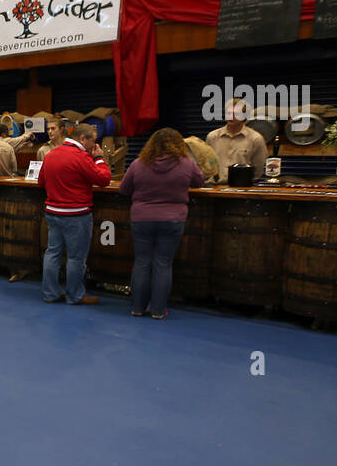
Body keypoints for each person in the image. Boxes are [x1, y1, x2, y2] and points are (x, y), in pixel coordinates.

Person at [119, 128, 204, 320]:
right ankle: (158, 311)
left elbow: (124, 189)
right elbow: (200, 181)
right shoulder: (186, 164)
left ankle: (138, 308)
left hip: (142, 219)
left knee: (142, 263)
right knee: (163, 264)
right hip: (173, 219)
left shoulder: (138, 164)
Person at [38, 122, 111, 305]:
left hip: (53, 212)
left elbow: (41, 182)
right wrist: (100, 158)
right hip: (76, 215)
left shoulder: (51, 155)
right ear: (82, 139)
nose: (94, 146)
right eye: (93, 141)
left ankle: (50, 294)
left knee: (52, 253)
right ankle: (75, 296)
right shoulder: (81, 157)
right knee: (76, 258)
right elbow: (103, 179)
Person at [206, 98, 268, 177]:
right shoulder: (212, 137)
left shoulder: (255, 139)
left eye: (236, 114)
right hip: (215, 187)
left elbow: (259, 168)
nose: (231, 116)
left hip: (242, 186)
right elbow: (208, 162)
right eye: (228, 113)